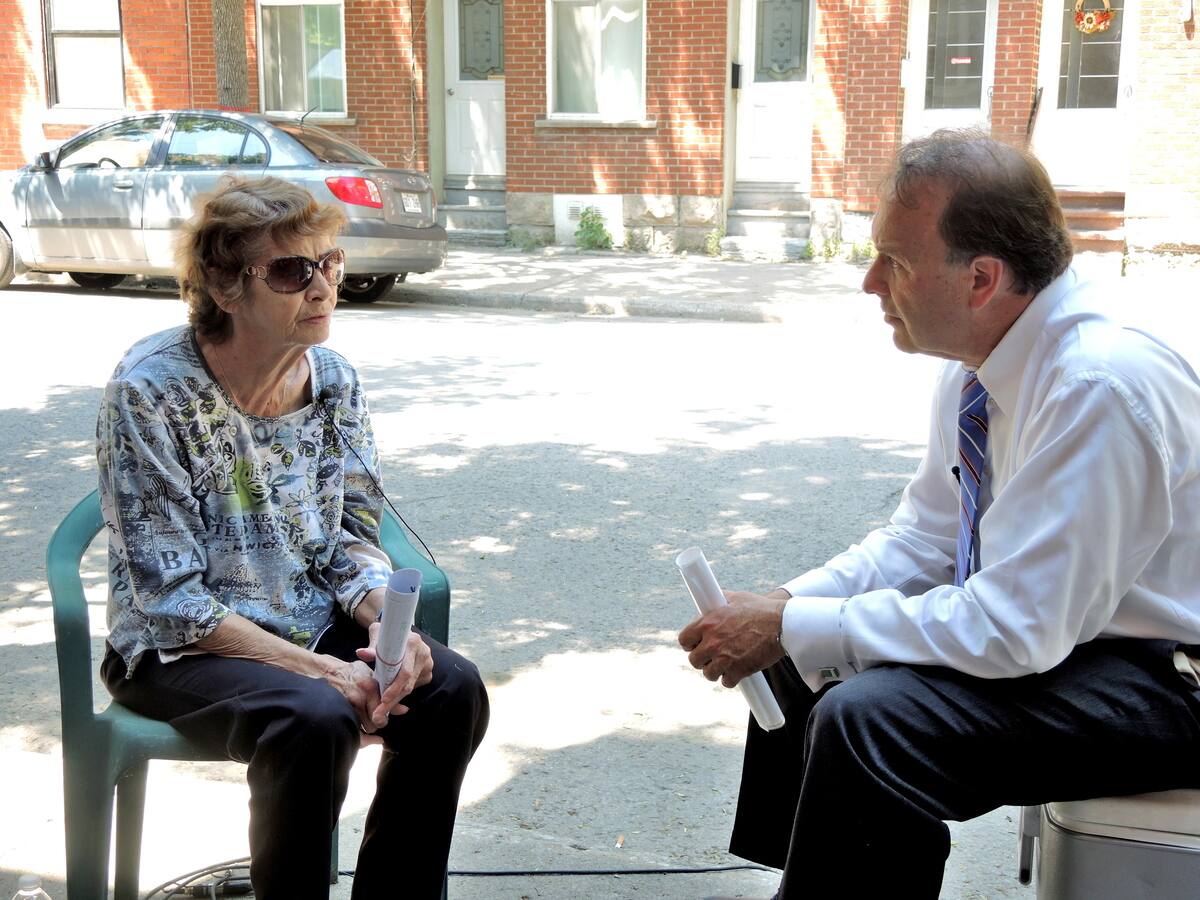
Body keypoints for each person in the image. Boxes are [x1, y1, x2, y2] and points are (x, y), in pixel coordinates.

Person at [679, 130, 1200, 897]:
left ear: (981, 278)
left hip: (1173, 679)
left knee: (871, 719)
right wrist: (787, 607)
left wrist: (795, 625)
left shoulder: (1096, 387)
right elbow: (923, 539)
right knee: (800, 658)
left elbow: (1015, 629)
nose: (870, 283)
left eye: (894, 261)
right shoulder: (984, 368)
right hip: (1083, 637)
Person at [96, 177, 489, 899]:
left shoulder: (334, 380)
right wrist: (325, 672)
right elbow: (170, 601)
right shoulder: (150, 390)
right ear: (225, 285)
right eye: (290, 270)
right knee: (314, 716)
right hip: (177, 650)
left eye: (330, 262)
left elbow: (350, 539)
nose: (321, 286)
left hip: (305, 621)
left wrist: (391, 631)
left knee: (450, 688)